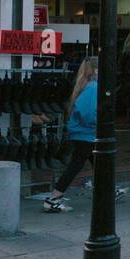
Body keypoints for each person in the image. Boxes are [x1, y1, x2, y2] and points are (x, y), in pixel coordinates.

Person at [43, 58, 98, 213]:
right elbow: (87, 114)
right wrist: (99, 124)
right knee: (76, 165)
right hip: (86, 133)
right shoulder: (94, 87)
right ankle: (54, 196)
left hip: (83, 132)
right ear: (96, 70)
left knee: (98, 163)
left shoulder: (85, 85)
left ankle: (108, 190)